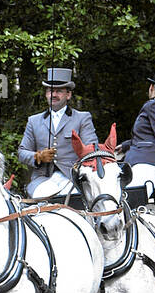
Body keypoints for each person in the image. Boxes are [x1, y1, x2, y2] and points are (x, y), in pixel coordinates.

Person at [18, 68, 98, 199]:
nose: (53, 94)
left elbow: (92, 150)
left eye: (58, 91)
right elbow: (22, 152)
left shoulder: (82, 118)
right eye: (50, 90)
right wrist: (38, 156)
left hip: (73, 179)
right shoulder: (34, 121)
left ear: (68, 95)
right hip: (41, 179)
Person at [118, 70, 155, 198]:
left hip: (147, 160)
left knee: (131, 198)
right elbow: (148, 135)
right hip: (139, 158)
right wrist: (125, 145)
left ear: (152, 88)